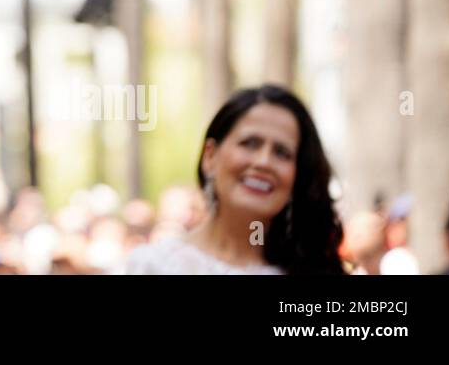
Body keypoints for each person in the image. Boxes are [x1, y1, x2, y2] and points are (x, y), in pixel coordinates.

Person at [124, 84, 345, 275]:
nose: (264, 162)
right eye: (250, 143)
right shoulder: (149, 266)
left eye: (282, 153)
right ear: (210, 156)